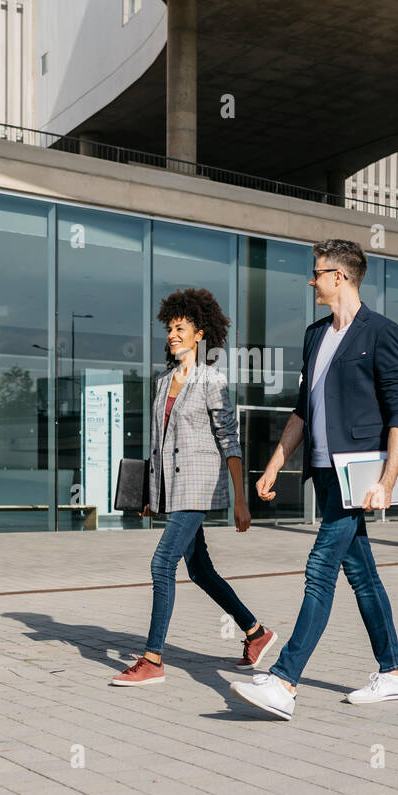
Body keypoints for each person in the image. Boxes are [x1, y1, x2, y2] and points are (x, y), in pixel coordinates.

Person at [230, 239, 398, 719]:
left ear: (340, 277)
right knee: (362, 574)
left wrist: (387, 481)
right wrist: (273, 464)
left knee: (319, 569)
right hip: (324, 473)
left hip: (359, 477)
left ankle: (285, 681)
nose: (311, 280)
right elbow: (301, 411)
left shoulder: (381, 332)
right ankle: (393, 672)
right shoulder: (315, 335)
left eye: (317, 273)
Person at [111, 288, 276, 686]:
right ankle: (256, 633)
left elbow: (229, 440)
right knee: (200, 570)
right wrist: (152, 495)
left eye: (180, 327)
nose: (172, 334)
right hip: (172, 488)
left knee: (161, 563)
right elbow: (158, 442)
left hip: (199, 486)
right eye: (169, 328)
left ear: (199, 334)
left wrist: (241, 499)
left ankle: (152, 661)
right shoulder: (163, 381)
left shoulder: (211, 379)